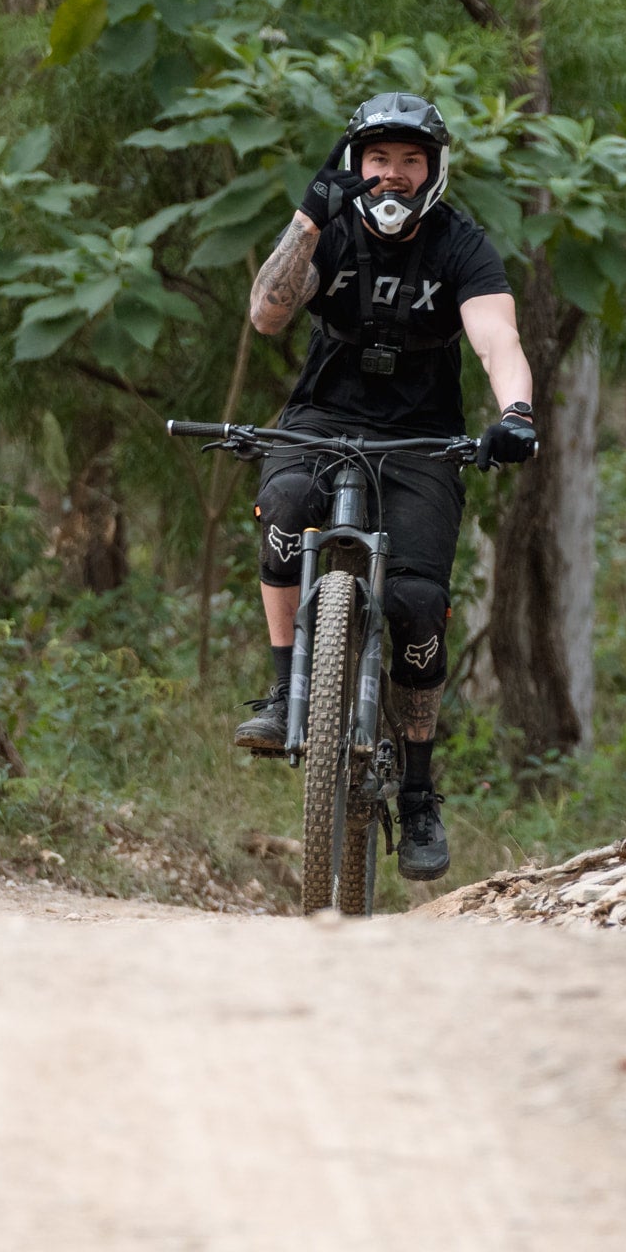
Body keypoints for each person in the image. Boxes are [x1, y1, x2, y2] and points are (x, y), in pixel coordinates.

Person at [239, 91, 536, 884]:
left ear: (434, 171)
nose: (393, 175)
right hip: (321, 418)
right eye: (378, 159)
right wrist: (308, 218)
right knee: (284, 509)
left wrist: (515, 412)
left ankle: (418, 788)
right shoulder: (330, 226)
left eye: (410, 160)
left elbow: (497, 337)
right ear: (355, 164)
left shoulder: (460, 242)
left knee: (414, 603)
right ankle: (282, 690)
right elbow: (266, 315)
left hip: (423, 439)